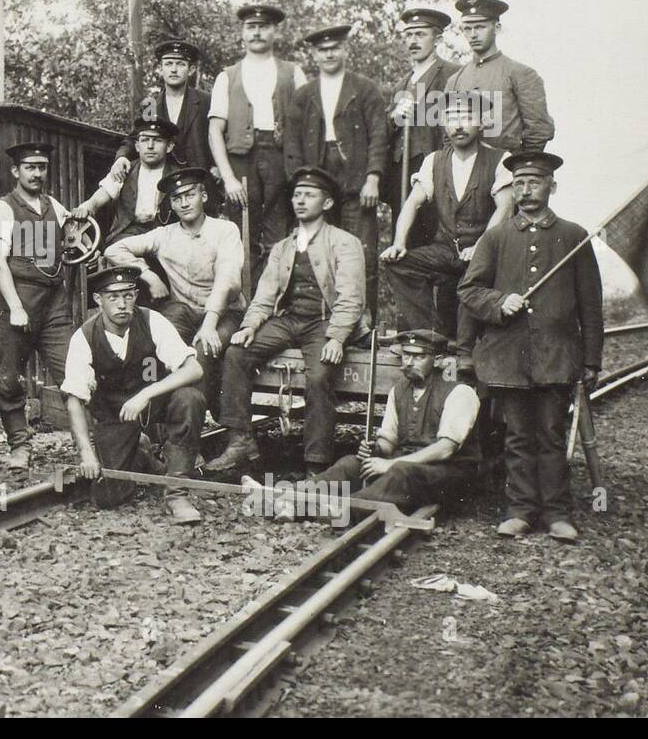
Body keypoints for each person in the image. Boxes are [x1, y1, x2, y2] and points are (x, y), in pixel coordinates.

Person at [458, 151, 601, 542]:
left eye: (534, 182)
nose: (526, 190)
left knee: (551, 435)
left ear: (551, 186)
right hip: (510, 357)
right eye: (519, 183)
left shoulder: (573, 237)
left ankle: (557, 513)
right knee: (517, 437)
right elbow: (469, 290)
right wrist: (499, 303)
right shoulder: (496, 236)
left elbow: (590, 303)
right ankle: (520, 510)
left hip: (556, 357)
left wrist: (591, 360)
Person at [210, 166, 368, 473]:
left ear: (327, 203)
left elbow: (351, 297)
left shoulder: (344, 242)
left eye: (309, 195)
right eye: (297, 194)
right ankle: (240, 440)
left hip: (325, 321)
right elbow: (265, 294)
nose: (300, 200)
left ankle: (316, 463)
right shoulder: (283, 247)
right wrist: (249, 326)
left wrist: (336, 337)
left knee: (320, 377)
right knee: (236, 353)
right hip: (289, 319)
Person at [267, 330, 480, 516]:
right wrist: (375, 449)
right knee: (352, 463)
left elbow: (445, 449)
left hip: (448, 473)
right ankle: (289, 497)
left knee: (401, 472)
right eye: (406, 355)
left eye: (418, 357)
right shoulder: (399, 391)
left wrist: (389, 464)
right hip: (409, 467)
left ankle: (342, 510)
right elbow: (389, 441)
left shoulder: (460, 393)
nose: (408, 362)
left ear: (438, 360)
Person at [63, 266, 208, 525]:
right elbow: (74, 397)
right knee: (108, 496)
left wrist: (146, 393)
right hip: (115, 415)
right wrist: (86, 452)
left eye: (128, 295)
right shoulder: (84, 337)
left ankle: (177, 494)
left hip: (155, 404)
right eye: (113, 297)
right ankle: (143, 455)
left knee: (190, 398)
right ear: (98, 300)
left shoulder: (152, 321)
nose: (122, 304)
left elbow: (194, 369)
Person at [103, 167, 244, 423]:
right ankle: (151, 424)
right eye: (176, 198)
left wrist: (210, 324)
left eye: (189, 195)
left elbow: (228, 280)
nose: (183, 203)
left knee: (202, 354)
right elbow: (114, 249)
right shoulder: (164, 235)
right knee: (151, 348)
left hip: (224, 314)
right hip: (184, 310)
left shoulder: (225, 230)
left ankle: (191, 430)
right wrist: (148, 274)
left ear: (203, 196)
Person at [381, 91, 513, 365]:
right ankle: (430, 336)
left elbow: (504, 208)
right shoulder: (434, 160)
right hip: (445, 249)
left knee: (473, 276)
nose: (458, 125)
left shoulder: (500, 159)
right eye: (451, 118)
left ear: (482, 122)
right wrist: (399, 243)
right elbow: (412, 202)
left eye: (466, 117)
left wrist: (480, 247)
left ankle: (464, 351)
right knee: (399, 264)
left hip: (484, 253)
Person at [283, 24, 389, 316]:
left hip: (356, 181)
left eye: (334, 48)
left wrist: (373, 177)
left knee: (361, 252)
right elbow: (291, 143)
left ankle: (362, 323)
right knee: (318, 250)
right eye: (322, 50)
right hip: (318, 181)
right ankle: (321, 319)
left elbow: (379, 135)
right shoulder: (304, 95)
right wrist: (300, 189)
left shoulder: (365, 89)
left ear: (345, 50)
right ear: (314, 55)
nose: (329, 54)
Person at [0, 141, 75, 471]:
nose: (37, 173)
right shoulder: (2, 209)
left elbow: (77, 237)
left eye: (42, 167)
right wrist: (15, 307)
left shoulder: (55, 206)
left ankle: (85, 440)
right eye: (30, 167)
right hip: (16, 299)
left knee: (72, 372)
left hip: (53, 303)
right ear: (15, 171)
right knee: (8, 379)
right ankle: (19, 446)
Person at [207, 4, 309, 280]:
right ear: (242, 33)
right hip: (241, 161)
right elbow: (215, 130)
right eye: (251, 27)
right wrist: (228, 178)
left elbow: (306, 126)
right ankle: (244, 308)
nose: (257, 32)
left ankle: (274, 307)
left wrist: (300, 173)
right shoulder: (227, 76)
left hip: (281, 159)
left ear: (274, 32)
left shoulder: (293, 72)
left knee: (280, 233)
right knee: (241, 236)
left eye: (263, 27)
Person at [385, 8, 460, 243]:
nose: (413, 41)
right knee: (406, 238)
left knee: (434, 238)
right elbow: (386, 131)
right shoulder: (401, 84)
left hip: (435, 168)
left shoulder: (452, 75)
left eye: (420, 34)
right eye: (409, 35)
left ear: (437, 39)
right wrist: (395, 117)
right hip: (402, 172)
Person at [444, 0, 553, 153]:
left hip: (508, 169)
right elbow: (448, 133)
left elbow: (539, 130)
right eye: (467, 28)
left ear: (497, 28)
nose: (473, 34)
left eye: (480, 27)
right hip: (465, 171)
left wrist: (517, 166)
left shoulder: (521, 73)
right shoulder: (455, 80)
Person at [108, 38, 212, 177]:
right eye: (168, 64)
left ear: (191, 70)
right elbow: (135, 138)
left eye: (180, 64)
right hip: (164, 181)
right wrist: (122, 157)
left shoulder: (206, 100)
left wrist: (217, 167)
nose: (174, 70)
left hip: (201, 178)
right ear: (160, 69)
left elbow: (221, 136)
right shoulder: (151, 105)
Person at [72, 116, 183, 246]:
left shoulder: (177, 175)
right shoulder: (124, 170)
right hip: (127, 235)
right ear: (137, 146)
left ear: (169, 146)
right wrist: (86, 207)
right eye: (145, 140)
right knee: (114, 253)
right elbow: (100, 197)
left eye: (157, 140)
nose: (150, 146)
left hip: (165, 236)